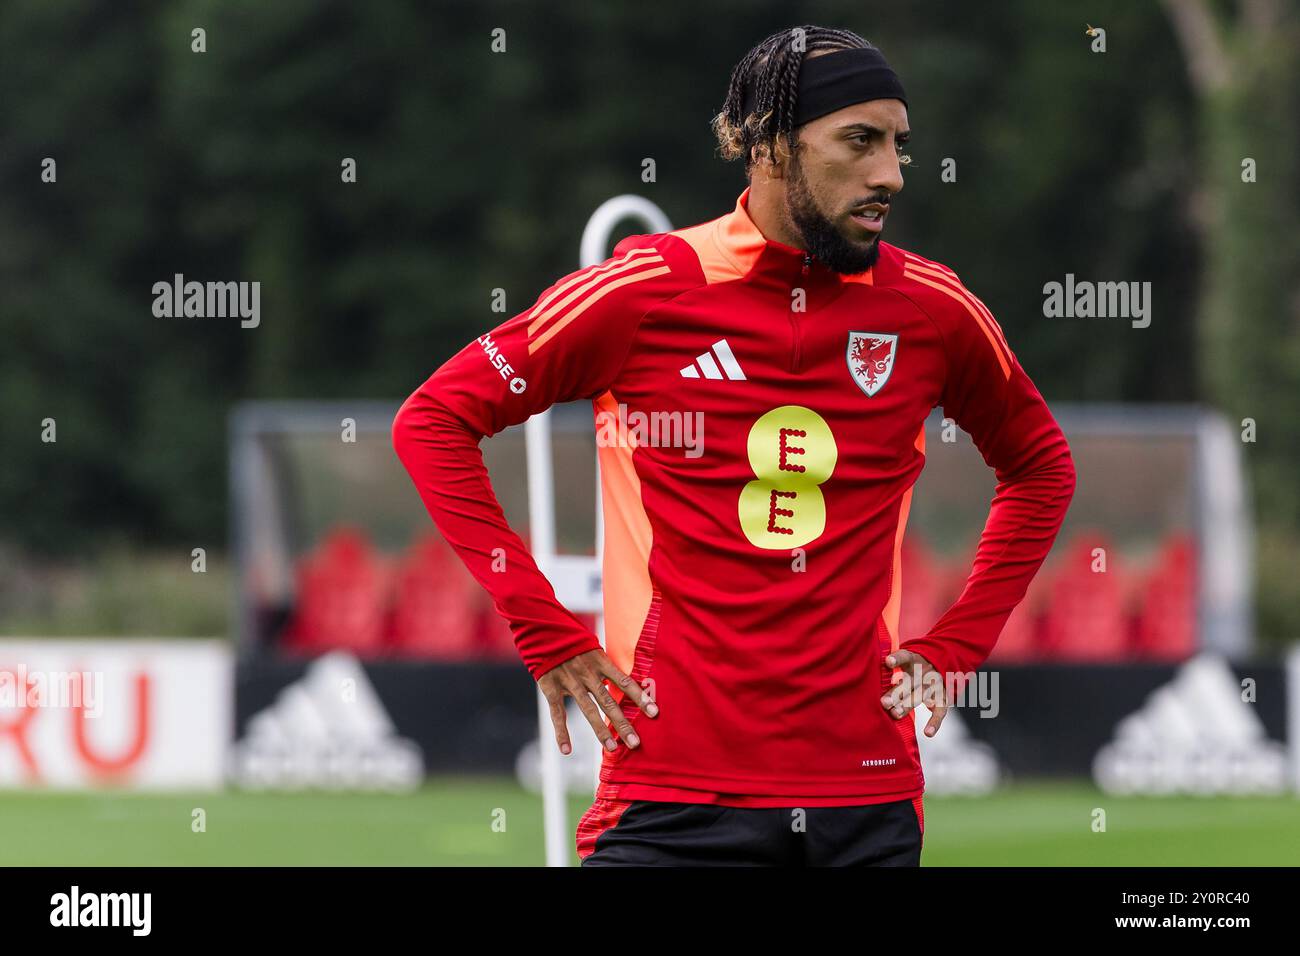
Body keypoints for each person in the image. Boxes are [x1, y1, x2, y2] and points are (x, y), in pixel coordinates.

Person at [392, 24, 1076, 866]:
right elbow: (433, 420)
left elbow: (1041, 464)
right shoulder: (644, 289)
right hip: (670, 796)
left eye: (899, 145)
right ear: (770, 148)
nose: (890, 174)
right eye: (859, 141)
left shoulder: (933, 310)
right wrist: (547, 630)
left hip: (863, 799)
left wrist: (957, 646)